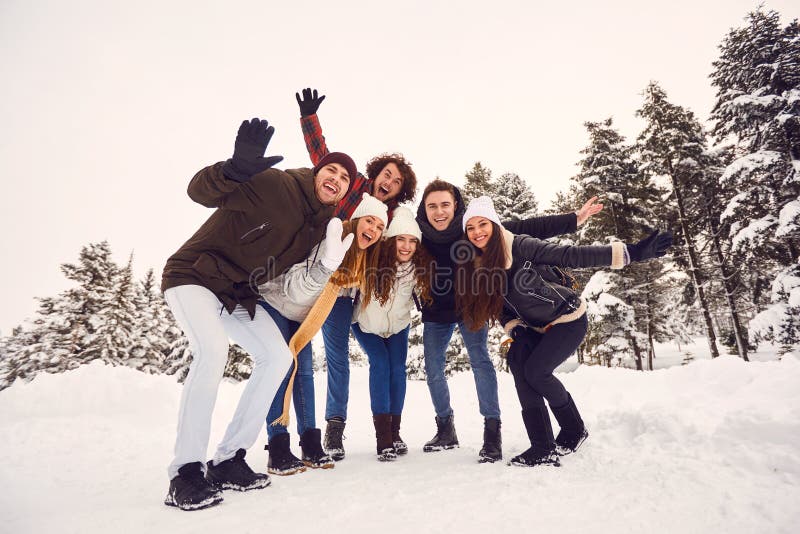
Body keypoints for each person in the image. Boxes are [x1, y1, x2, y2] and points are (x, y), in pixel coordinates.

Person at [160, 117, 357, 511]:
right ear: (318, 172)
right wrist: (233, 170)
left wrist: (326, 267)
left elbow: (295, 283)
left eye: (344, 178)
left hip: (237, 295)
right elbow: (198, 191)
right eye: (331, 169)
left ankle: (229, 459)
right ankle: (185, 472)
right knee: (213, 352)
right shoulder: (274, 182)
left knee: (280, 357)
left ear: (344, 193)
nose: (335, 178)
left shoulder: (319, 230)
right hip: (193, 275)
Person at [457, 196, 672, 467]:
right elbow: (500, 308)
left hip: (567, 318)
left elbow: (569, 255)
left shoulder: (519, 245)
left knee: (537, 372)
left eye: (482, 224)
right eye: (471, 228)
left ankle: (573, 429)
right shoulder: (479, 266)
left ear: (495, 224)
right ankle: (543, 446)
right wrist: (514, 328)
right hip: (532, 327)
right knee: (519, 364)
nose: (477, 232)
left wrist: (630, 253)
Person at [415, 180, 603, 462]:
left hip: (471, 308)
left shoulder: (474, 228)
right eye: (432, 206)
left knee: (481, 363)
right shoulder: (418, 234)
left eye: (445, 205)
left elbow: (532, 227)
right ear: (424, 209)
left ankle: (492, 435)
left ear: (456, 207)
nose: (439, 211)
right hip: (435, 312)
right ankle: (445, 429)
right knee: (433, 370)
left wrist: (574, 219)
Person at [295, 87, 419, 459]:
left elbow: (410, 254)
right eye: (386, 174)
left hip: (365, 298)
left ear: (402, 189)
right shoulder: (356, 194)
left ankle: (383, 428)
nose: (389, 182)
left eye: (397, 181)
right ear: (375, 173)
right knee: (336, 360)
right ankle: (334, 429)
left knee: (376, 363)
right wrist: (309, 119)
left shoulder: (396, 219)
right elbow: (323, 158)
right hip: (333, 288)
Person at [259, 193, 388, 473]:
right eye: (369, 221)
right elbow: (302, 283)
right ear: (355, 221)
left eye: (380, 227)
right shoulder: (332, 242)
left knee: (304, 372)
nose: (374, 230)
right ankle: (278, 446)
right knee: (282, 367)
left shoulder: (360, 258)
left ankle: (310, 443)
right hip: (277, 301)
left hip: (300, 313)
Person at [351, 207, 433, 461]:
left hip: (397, 326)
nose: (407, 246)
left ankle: (395, 432)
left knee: (398, 369)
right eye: (401, 239)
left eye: (412, 241)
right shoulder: (372, 261)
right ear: (390, 240)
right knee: (380, 364)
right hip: (366, 326)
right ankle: (383, 437)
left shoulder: (419, 269)